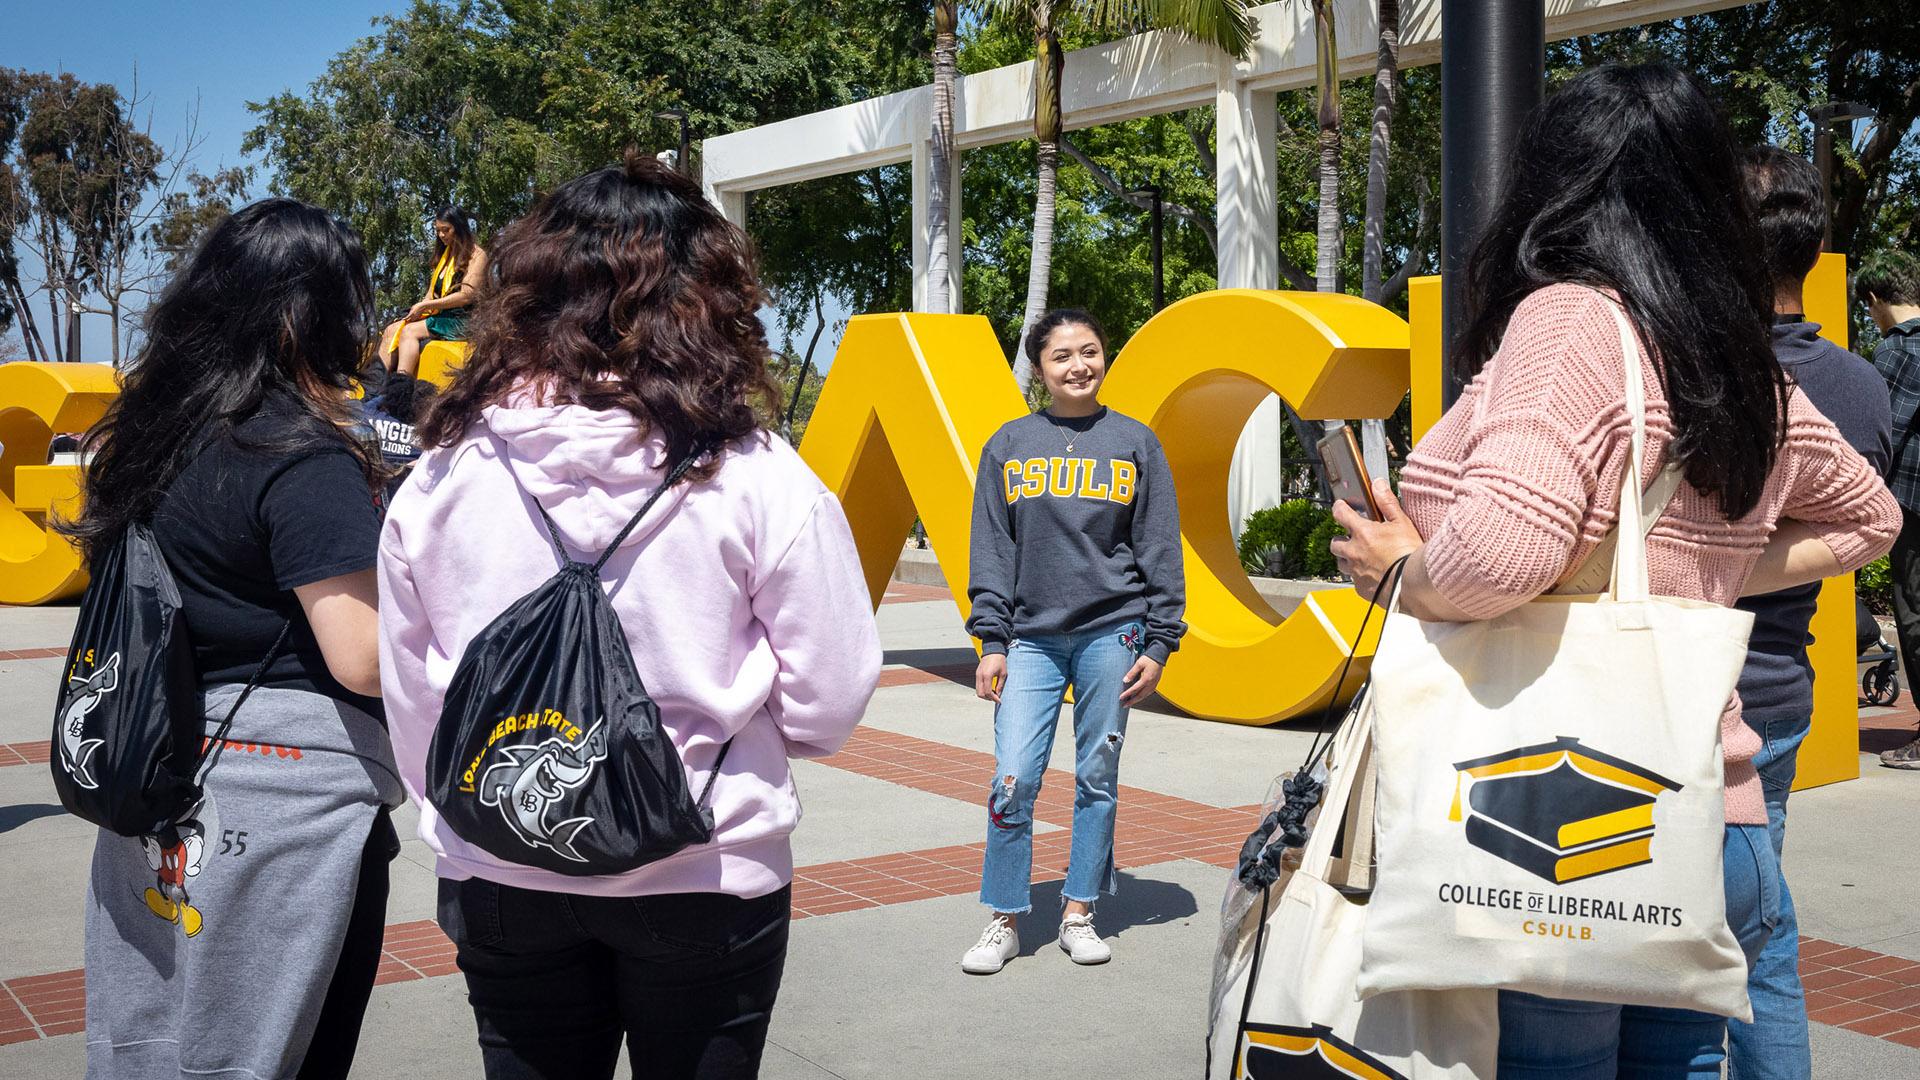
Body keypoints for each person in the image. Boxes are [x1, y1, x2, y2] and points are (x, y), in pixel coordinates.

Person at [1329, 64, 1899, 1078]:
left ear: (1558, 181)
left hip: (1558, 819)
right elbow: (1872, 518)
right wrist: (1717, 570)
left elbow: (1499, 552)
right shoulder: (1730, 351)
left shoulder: (1572, 325)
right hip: (1709, 814)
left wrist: (1401, 571)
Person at [378, 150, 881, 1080]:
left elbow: (415, 704)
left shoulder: (443, 473)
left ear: (528, 291)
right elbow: (832, 699)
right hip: (704, 868)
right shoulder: (758, 474)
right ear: (709, 296)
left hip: (498, 866)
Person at [62, 199, 396, 1080]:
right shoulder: (298, 450)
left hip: (152, 767)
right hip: (288, 804)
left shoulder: (146, 440)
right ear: (304, 315)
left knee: (150, 1034)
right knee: (274, 1048)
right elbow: (359, 654)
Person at [1723, 145, 1893, 1079]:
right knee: (1755, 933)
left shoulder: (1693, 373)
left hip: (1680, 692)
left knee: (1626, 944)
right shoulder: (1861, 384)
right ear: (1815, 243)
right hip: (1782, 689)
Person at [959, 308, 1187, 975]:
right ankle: (1003, 917)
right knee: (1012, 779)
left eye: (1090, 351)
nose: (1078, 366)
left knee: (1096, 777)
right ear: (1039, 369)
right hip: (1029, 637)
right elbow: (992, 549)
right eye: (1062, 356)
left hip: (1111, 632)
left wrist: (1159, 642)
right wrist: (991, 640)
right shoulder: (1009, 444)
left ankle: (1079, 911)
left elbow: (1158, 547)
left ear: (1104, 356)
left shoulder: (1136, 443)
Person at [1858, 249, 1920, 769]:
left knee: (1915, 614)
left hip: (1914, 509)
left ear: (1875, 300)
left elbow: (1885, 437)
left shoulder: (1897, 351)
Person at [379, 206, 488, 378]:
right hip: (441, 316)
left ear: (459, 227)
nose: (441, 235)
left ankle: (401, 387)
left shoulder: (477, 256)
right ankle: (377, 387)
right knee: (393, 329)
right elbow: (430, 294)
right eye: (438, 231)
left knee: (410, 332)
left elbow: (467, 295)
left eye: (446, 230)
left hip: (463, 320)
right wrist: (417, 311)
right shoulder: (444, 257)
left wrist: (427, 305)